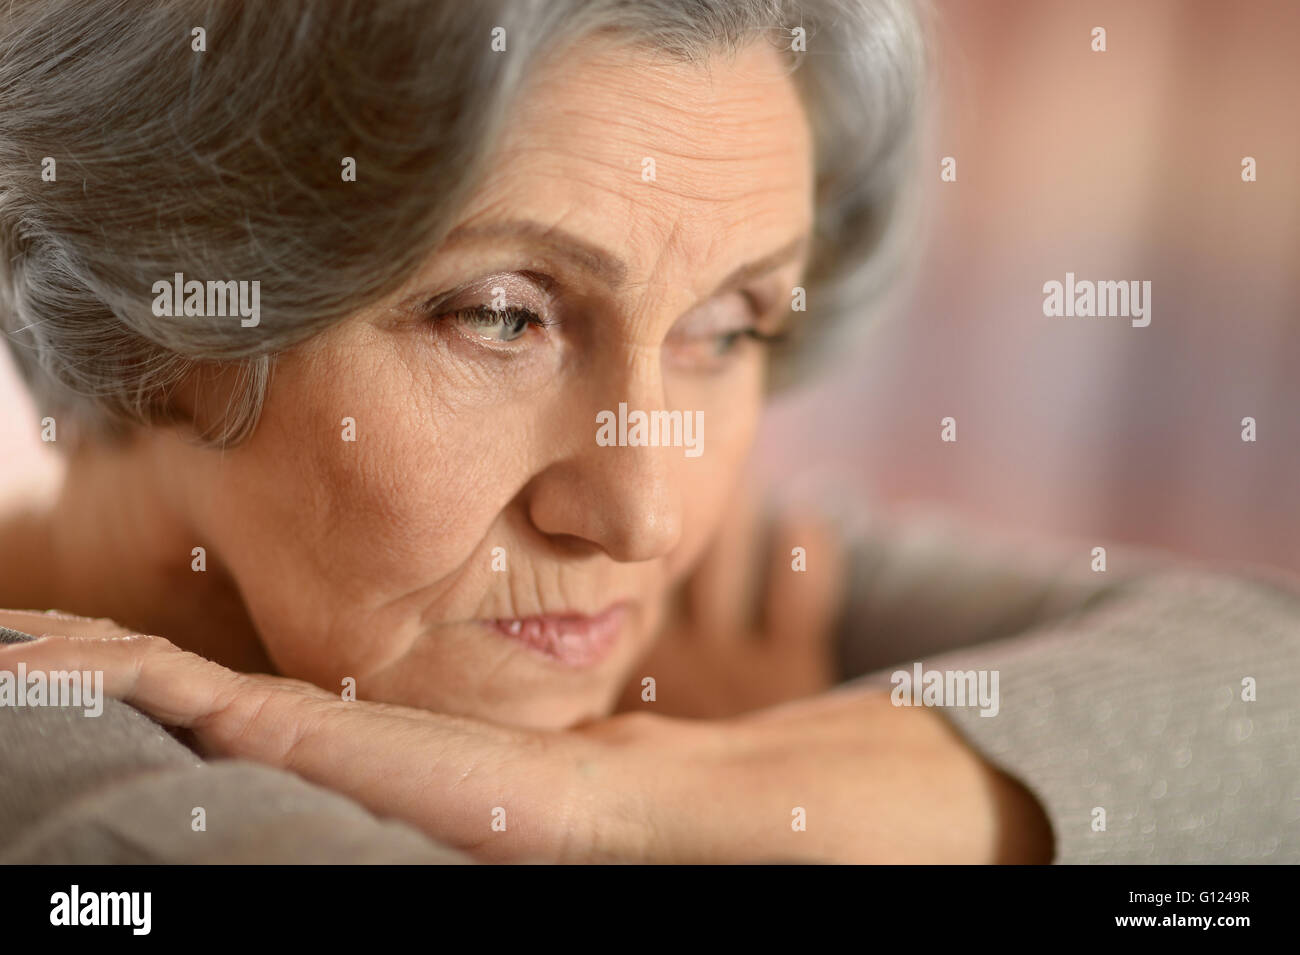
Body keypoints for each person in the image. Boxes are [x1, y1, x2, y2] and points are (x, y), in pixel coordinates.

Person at [0, 0, 1294, 865]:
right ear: (165, 307)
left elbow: (1264, 679)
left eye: (726, 328)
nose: (647, 515)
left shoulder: (663, 603)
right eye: (500, 319)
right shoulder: (58, 767)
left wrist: (644, 794)